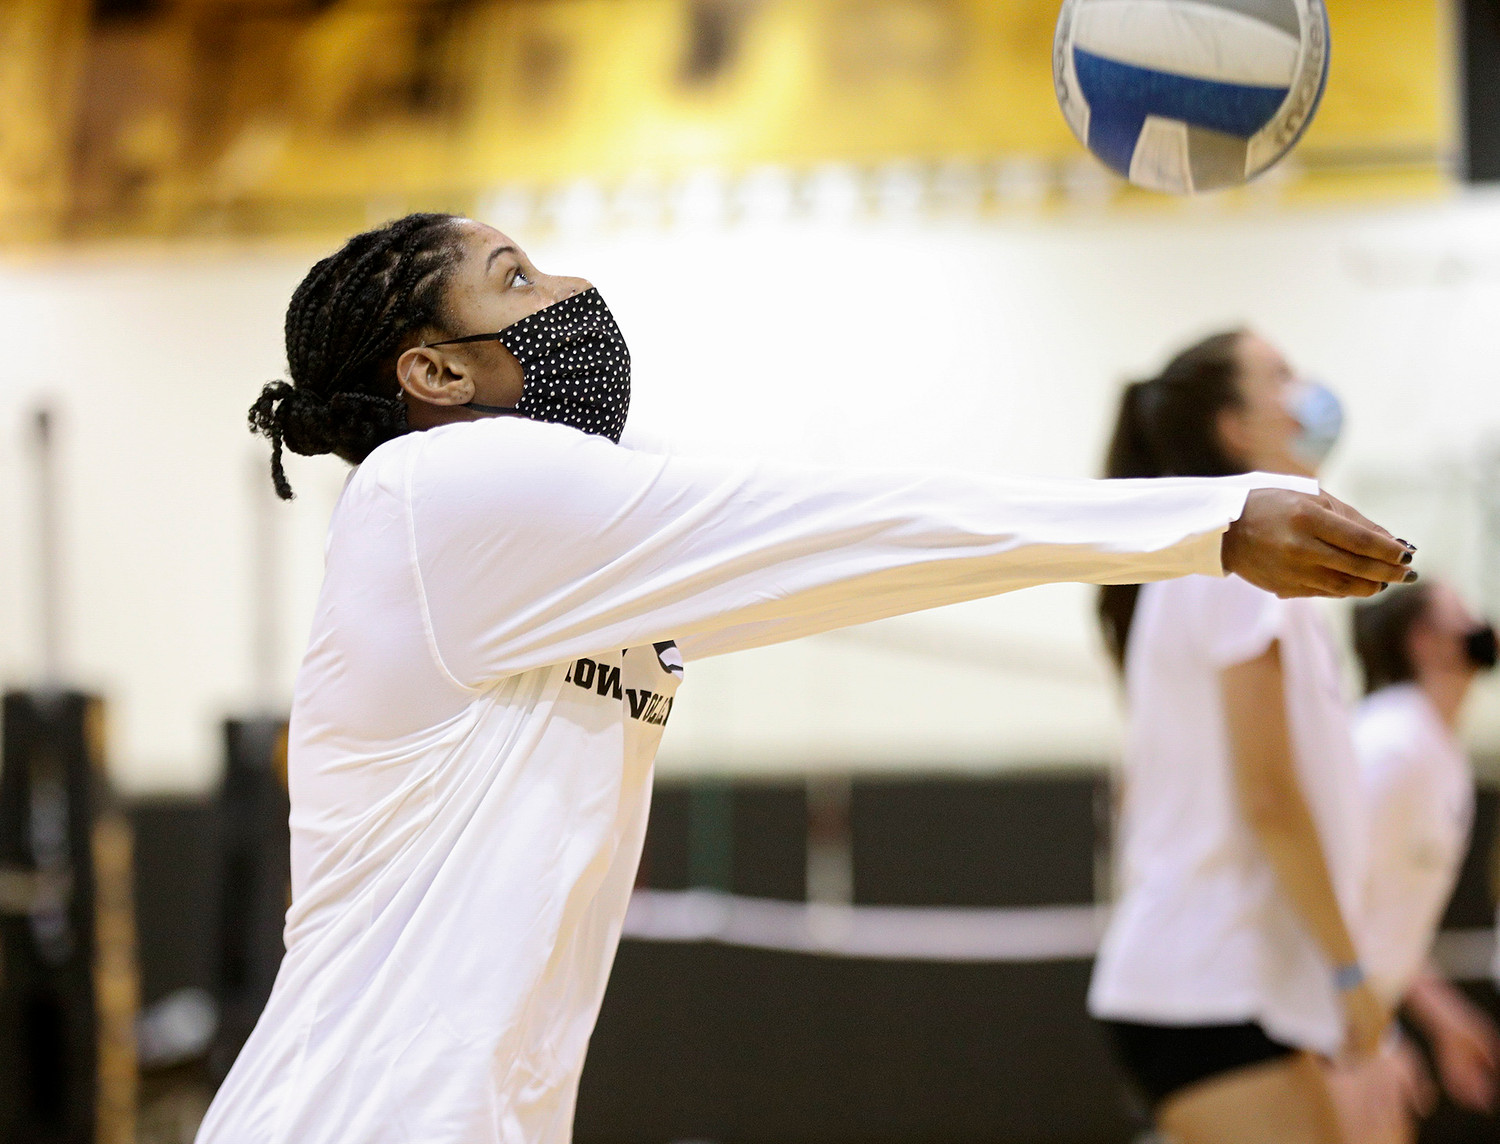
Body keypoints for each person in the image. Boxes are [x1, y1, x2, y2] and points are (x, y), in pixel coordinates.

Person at [196, 217, 1413, 1144]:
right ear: (436, 374)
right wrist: (1211, 521)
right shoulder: (433, 494)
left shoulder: (557, 537)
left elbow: (832, 548)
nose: (566, 288)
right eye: (514, 278)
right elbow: (841, 526)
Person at [1088, 330, 1399, 1144]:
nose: (1307, 389)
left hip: (1228, 987)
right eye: (1280, 375)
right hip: (1206, 989)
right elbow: (1269, 796)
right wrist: (1349, 970)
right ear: (1234, 427)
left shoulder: (1229, 563)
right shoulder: (1239, 563)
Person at [1344, 582, 1500, 1136]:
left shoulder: (1435, 749)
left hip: (1352, 1021)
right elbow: (1317, 897)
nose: (1484, 625)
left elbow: (1388, 923)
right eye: (1464, 614)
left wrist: (1445, 1021)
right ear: (1425, 641)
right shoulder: (1391, 747)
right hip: (1316, 1024)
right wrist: (1374, 1037)